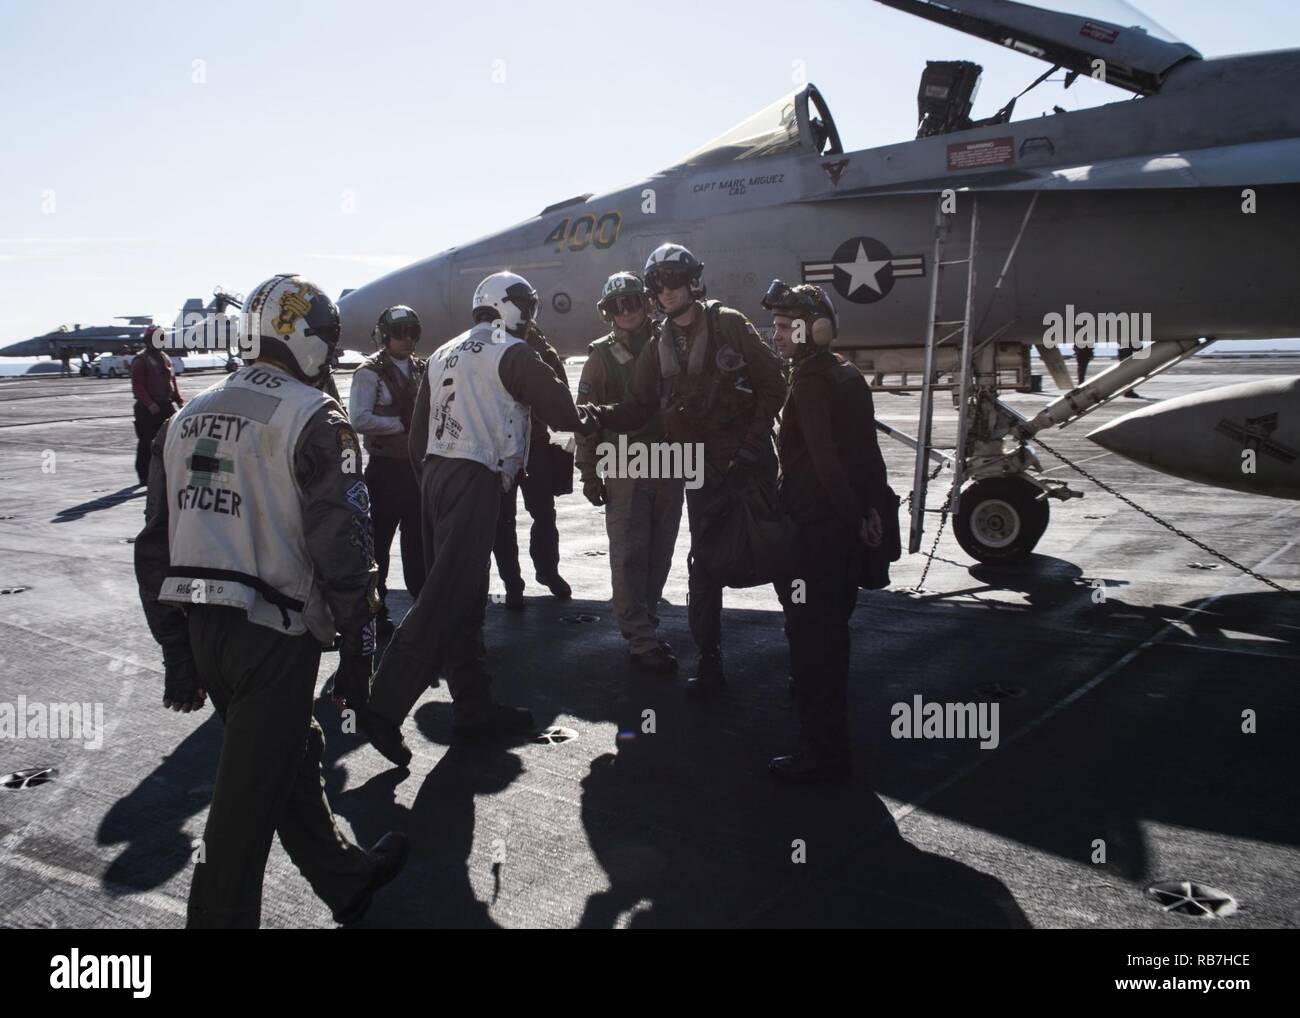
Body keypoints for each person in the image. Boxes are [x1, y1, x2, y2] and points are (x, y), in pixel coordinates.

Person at [134, 273, 407, 927]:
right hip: (274, 639)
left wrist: (178, 653)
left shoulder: (185, 416)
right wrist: (358, 655)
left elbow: (153, 548)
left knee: (287, 754)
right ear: (307, 339)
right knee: (238, 821)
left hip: (204, 634)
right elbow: (344, 552)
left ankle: (345, 878)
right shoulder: (314, 420)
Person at [358, 272, 600, 766]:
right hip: (475, 478)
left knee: (466, 597)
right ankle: (380, 709)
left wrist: (436, 483)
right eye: (526, 307)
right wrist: (595, 417)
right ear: (509, 307)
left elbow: (416, 436)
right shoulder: (512, 351)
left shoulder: (444, 352)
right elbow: (562, 412)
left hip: (436, 476)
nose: (531, 317)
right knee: (444, 596)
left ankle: (473, 704)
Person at [587, 243, 786, 696]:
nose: (665, 289)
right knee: (705, 566)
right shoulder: (659, 345)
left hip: (748, 468)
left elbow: (775, 382)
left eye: (673, 279)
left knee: (777, 553)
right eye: (657, 282)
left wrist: (752, 444)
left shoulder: (728, 324)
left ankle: (802, 656)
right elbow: (636, 407)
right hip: (700, 472)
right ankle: (710, 660)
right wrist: (596, 416)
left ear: (692, 281)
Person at [764, 280, 891, 783]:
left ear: (811, 329)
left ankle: (820, 754)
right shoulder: (846, 375)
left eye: (780, 326)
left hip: (816, 534)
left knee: (812, 643)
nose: (774, 336)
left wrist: (853, 513)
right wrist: (870, 510)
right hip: (841, 536)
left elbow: (825, 461)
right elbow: (867, 456)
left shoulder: (812, 382)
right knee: (830, 640)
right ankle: (828, 744)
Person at [576, 272, 682, 673]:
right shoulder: (601, 356)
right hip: (623, 463)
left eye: (632, 302)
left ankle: (648, 628)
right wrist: (588, 472)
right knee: (628, 555)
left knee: (661, 552)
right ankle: (640, 641)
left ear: (645, 302)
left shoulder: (671, 341)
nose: (626, 312)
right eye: (617, 306)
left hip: (673, 459)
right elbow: (585, 419)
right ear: (608, 313)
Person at [349, 305, 428, 637]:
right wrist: (399, 424)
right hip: (384, 472)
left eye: (412, 332)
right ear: (384, 336)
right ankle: (376, 612)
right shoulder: (368, 373)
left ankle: (423, 609)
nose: (407, 339)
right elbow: (358, 418)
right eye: (400, 333)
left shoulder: (421, 369)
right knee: (378, 545)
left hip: (416, 470)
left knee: (419, 544)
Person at [492, 319, 572, 608]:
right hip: (500, 446)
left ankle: (548, 572)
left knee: (544, 514)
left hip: (536, 444)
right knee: (503, 520)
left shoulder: (542, 351)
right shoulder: (491, 346)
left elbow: (564, 404)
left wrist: (564, 454)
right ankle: (512, 583)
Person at [131, 329, 184, 486]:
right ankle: (144, 475)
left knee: (172, 438)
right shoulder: (140, 360)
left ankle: (167, 471)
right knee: (146, 442)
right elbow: (137, 386)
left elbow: (172, 381)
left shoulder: (165, 358)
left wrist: (179, 400)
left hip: (166, 405)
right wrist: (149, 403)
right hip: (147, 409)